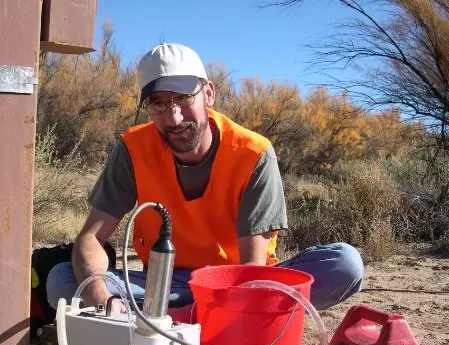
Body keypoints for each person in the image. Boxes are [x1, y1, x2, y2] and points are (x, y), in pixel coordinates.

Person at [46, 43, 364, 315]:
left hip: (242, 283)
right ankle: (182, 318)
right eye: (159, 103)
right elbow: (90, 238)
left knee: (343, 265)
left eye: (183, 98)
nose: (174, 117)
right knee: (63, 278)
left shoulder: (253, 153)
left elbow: (251, 268)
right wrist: (104, 303)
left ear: (208, 93)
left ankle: (171, 320)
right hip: (168, 284)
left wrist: (234, 302)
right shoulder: (132, 148)